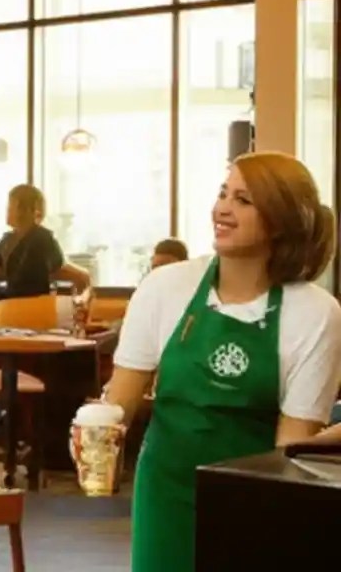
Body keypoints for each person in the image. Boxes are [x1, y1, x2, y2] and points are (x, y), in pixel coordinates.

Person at [101, 152, 341, 572]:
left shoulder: (316, 314)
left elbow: (291, 447)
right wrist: (98, 428)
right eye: (222, 193)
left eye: (244, 200)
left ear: (282, 219)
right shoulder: (165, 287)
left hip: (257, 498)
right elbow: (120, 400)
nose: (222, 208)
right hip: (165, 489)